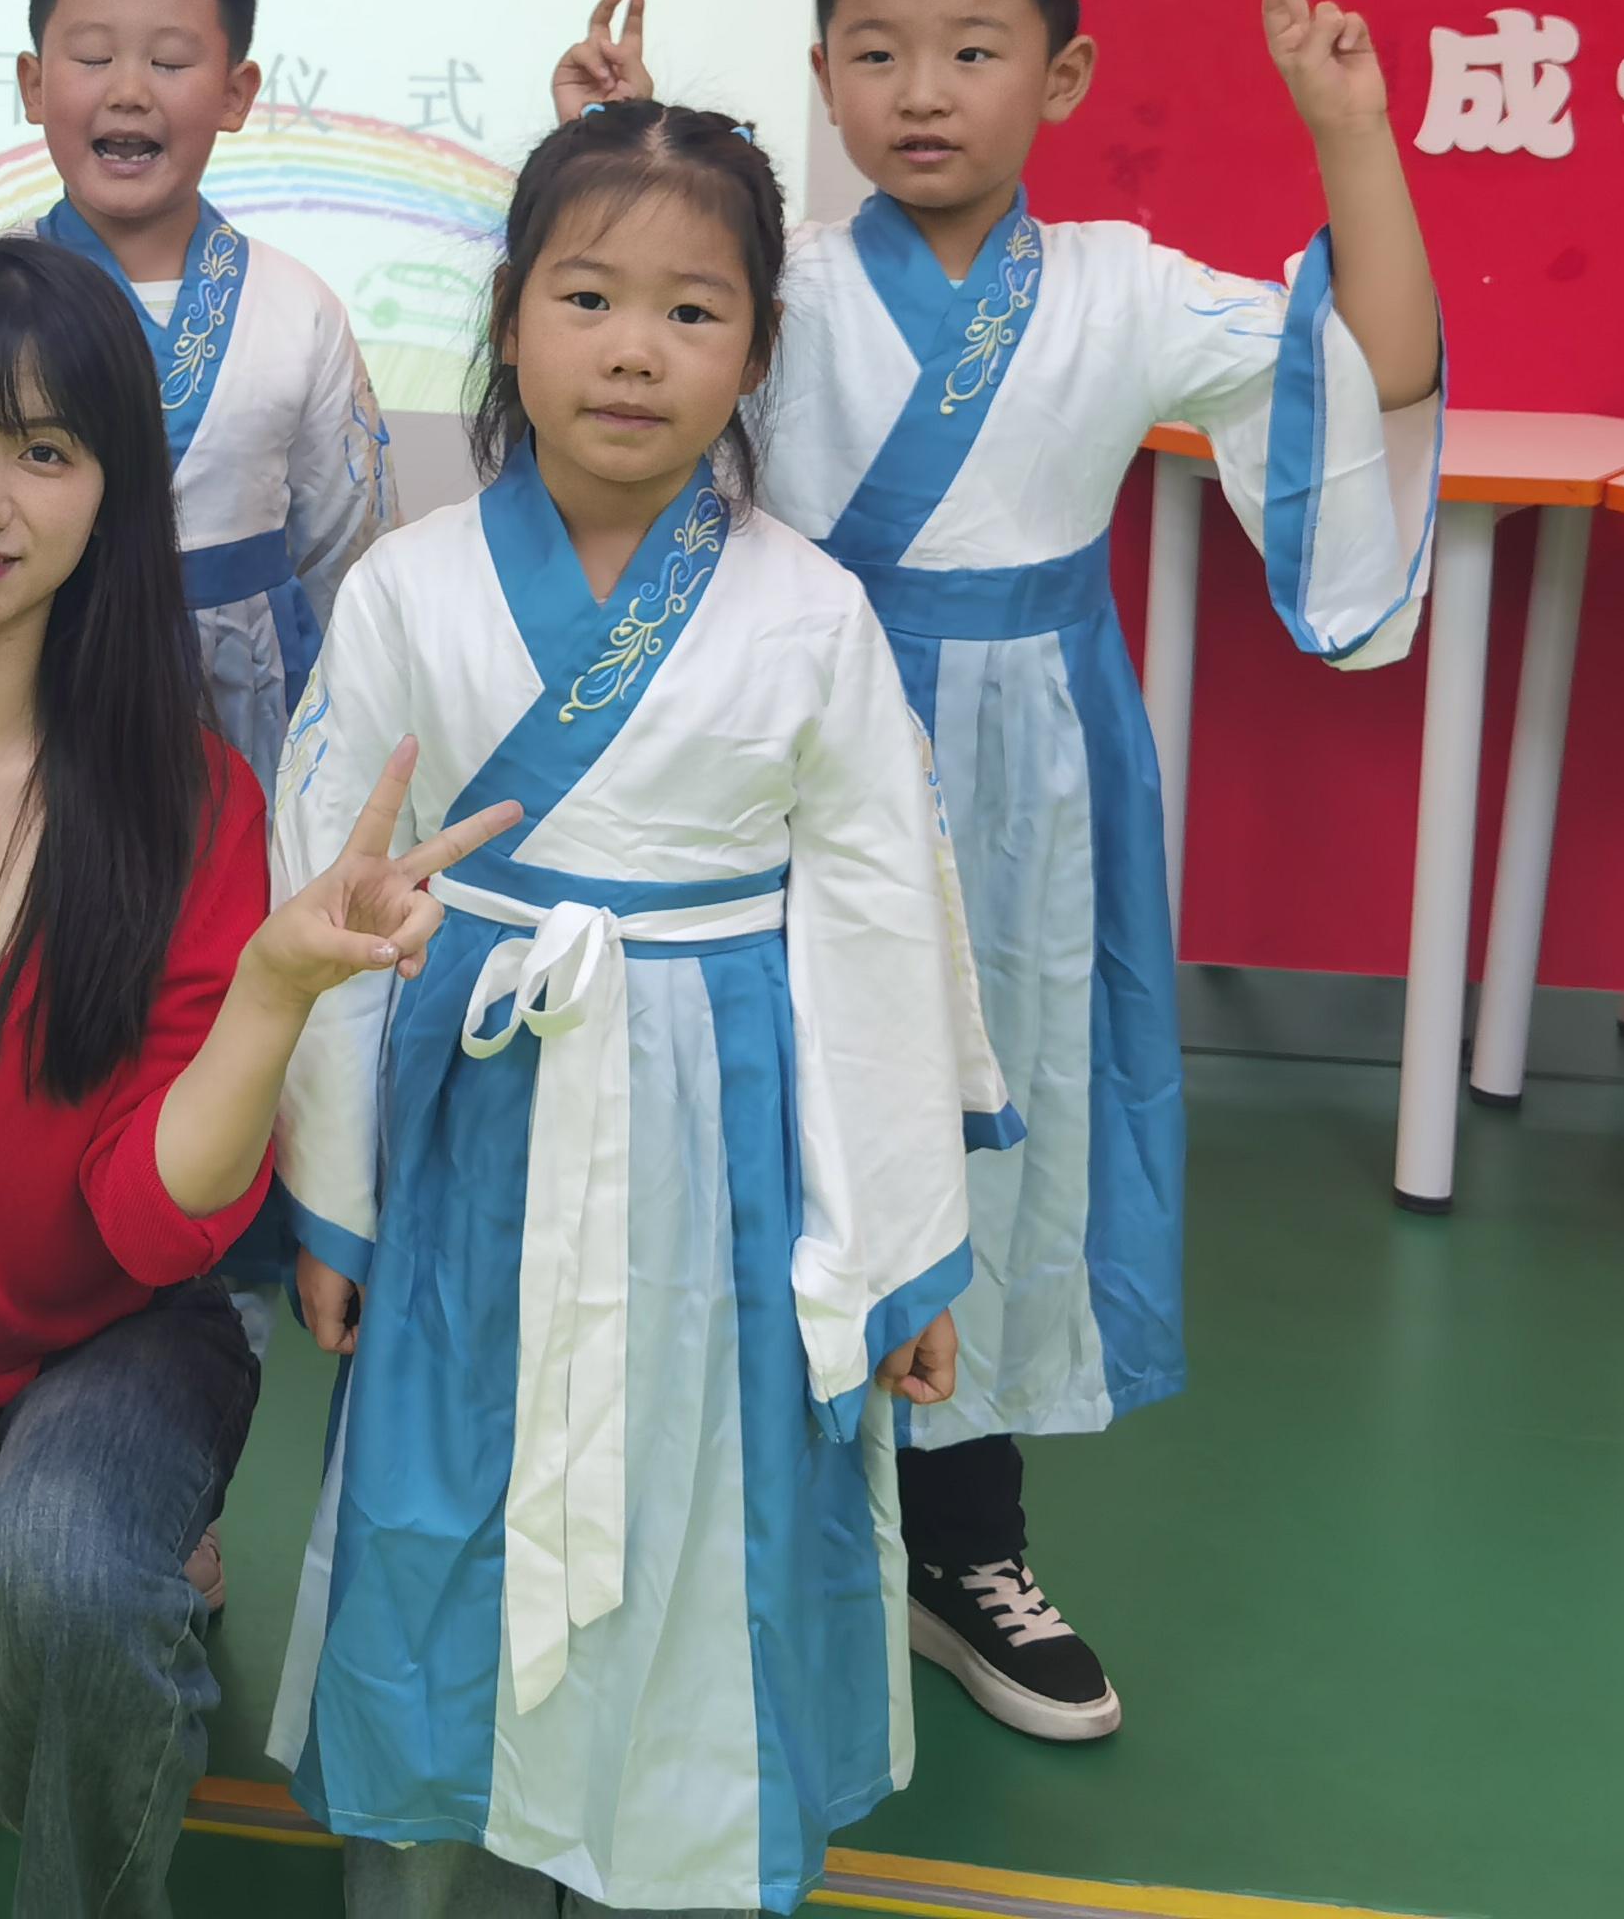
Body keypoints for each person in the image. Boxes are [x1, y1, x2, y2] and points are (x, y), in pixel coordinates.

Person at [548, 0, 1441, 1741]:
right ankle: (732, 1540)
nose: (924, 91)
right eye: (878, 54)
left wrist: (1349, 132)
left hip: (1029, 791)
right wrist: (619, 179)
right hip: (785, 750)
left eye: (972, 51)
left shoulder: (1119, 287)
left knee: (987, 1139)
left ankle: (965, 1551)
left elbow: (1370, 372)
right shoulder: (774, 281)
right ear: (820, 77)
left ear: (1065, 73)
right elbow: (609, 390)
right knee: (764, 1121)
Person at [274, 102, 1009, 1919]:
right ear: (511, 318)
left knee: (701, 1495)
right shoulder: (407, 587)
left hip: (718, 1141)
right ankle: (433, 1868)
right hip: (472, 1121)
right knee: (447, 1489)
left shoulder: (812, 614)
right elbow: (328, 887)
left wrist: (899, 1244)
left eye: (693, 311)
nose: (632, 349)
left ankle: (661, 1860)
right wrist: (337, 1194)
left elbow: (875, 922)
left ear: (756, 349)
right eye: (588, 297)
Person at [0, 237, 479, 1919]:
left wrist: (271, 989)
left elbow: (148, 1223)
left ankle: (21, 1756)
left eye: (44, 452)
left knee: (72, 1580)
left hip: (115, 1333)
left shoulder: (183, 801)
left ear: (113, 492)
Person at [20, 0, 389, 766]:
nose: (129, 92)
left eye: (171, 63)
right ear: (33, 84)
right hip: (31, 697)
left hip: (249, 721)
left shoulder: (298, 309)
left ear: (236, 91)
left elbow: (347, 557)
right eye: (93, 57)